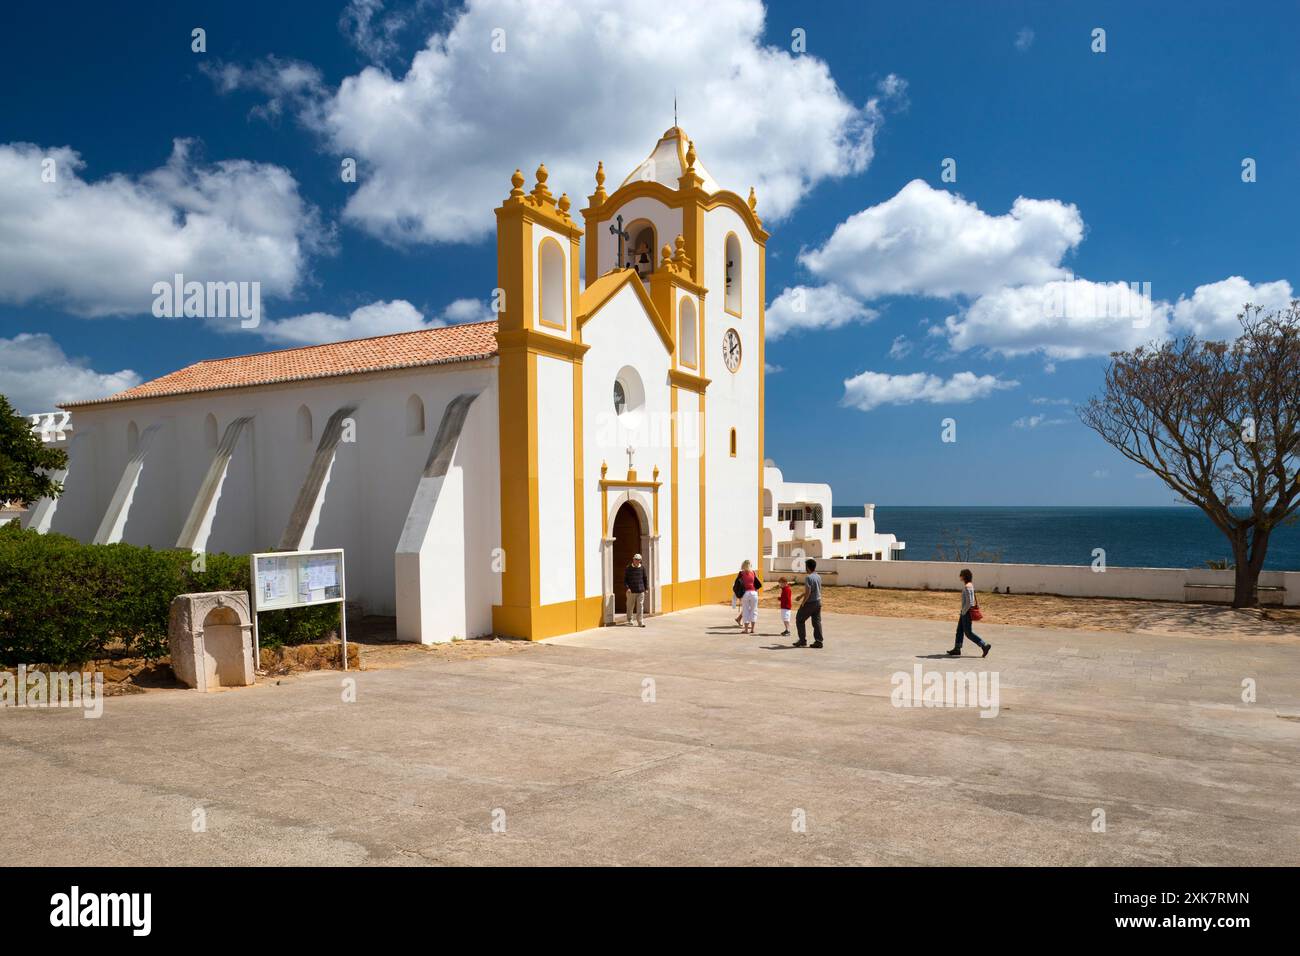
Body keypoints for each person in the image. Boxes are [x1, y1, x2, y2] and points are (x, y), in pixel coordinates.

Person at [948, 568, 991, 657]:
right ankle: (957, 648)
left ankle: (984, 645)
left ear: (964, 576)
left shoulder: (968, 587)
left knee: (968, 633)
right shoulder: (969, 585)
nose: (959, 576)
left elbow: (970, 602)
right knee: (959, 630)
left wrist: (963, 612)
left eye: (961, 575)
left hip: (966, 613)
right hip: (964, 612)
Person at [793, 559, 824, 648]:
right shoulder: (818, 576)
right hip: (818, 602)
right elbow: (813, 590)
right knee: (816, 622)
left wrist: (803, 602)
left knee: (799, 619)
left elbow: (808, 592)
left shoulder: (808, 577)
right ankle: (819, 641)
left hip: (810, 603)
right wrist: (801, 596)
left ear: (807, 567)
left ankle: (802, 640)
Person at [734, 560, 761, 634]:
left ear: (743, 565)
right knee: (754, 611)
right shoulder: (753, 572)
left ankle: (746, 630)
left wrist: (738, 594)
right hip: (754, 593)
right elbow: (757, 583)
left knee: (745, 610)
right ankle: (752, 629)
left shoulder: (741, 573)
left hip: (745, 593)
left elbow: (737, 583)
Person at [624, 553, 647, 627]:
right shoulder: (628, 568)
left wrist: (646, 588)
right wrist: (628, 588)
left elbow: (645, 578)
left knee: (640, 606)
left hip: (640, 590)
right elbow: (625, 580)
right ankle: (630, 620)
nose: (637, 561)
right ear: (633, 559)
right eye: (636, 559)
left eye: (638, 560)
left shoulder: (642, 568)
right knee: (630, 606)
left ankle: (640, 622)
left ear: (640, 560)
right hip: (631, 591)